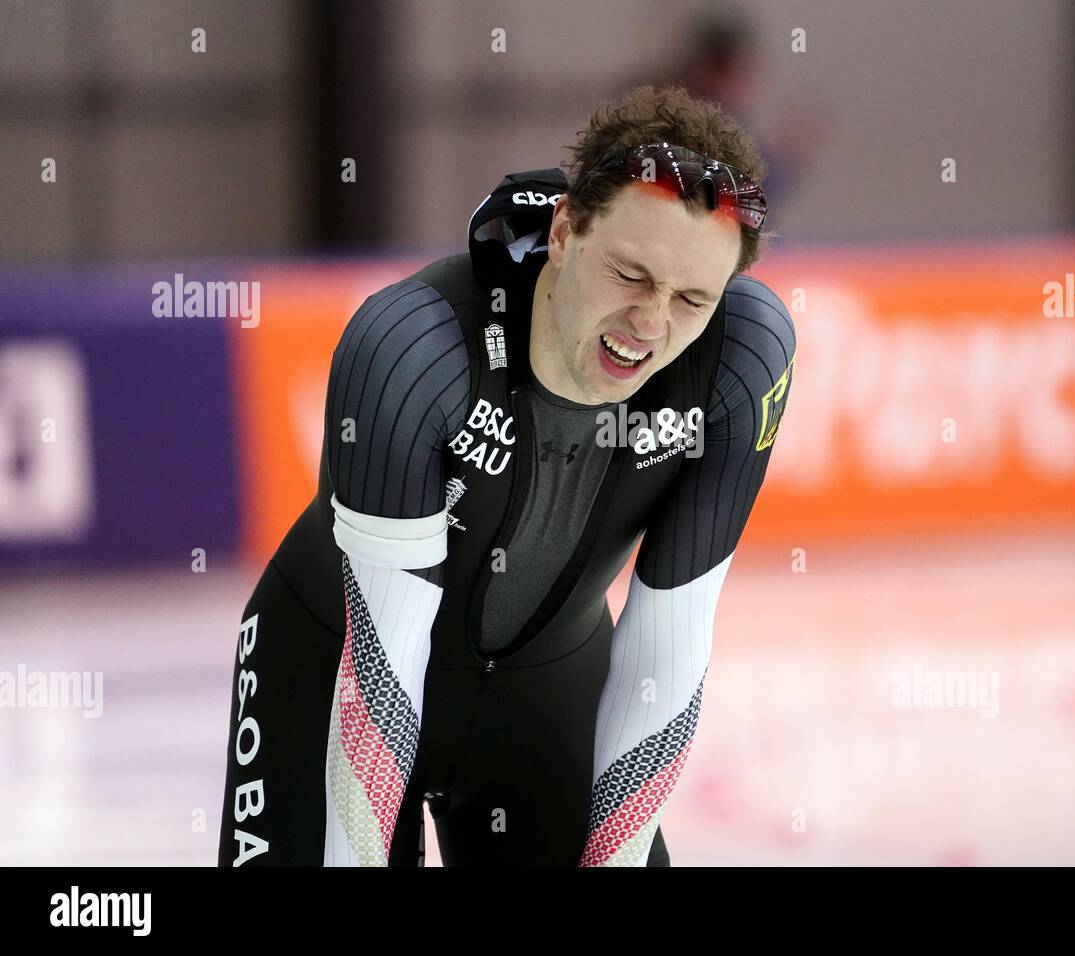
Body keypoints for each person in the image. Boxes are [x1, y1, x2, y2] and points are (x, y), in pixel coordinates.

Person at [217, 84, 796, 866]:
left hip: (544, 694)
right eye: (629, 274)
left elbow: (669, 643)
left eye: (692, 297)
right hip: (333, 672)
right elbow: (381, 675)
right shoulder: (414, 351)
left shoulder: (739, 359)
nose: (651, 325)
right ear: (564, 232)